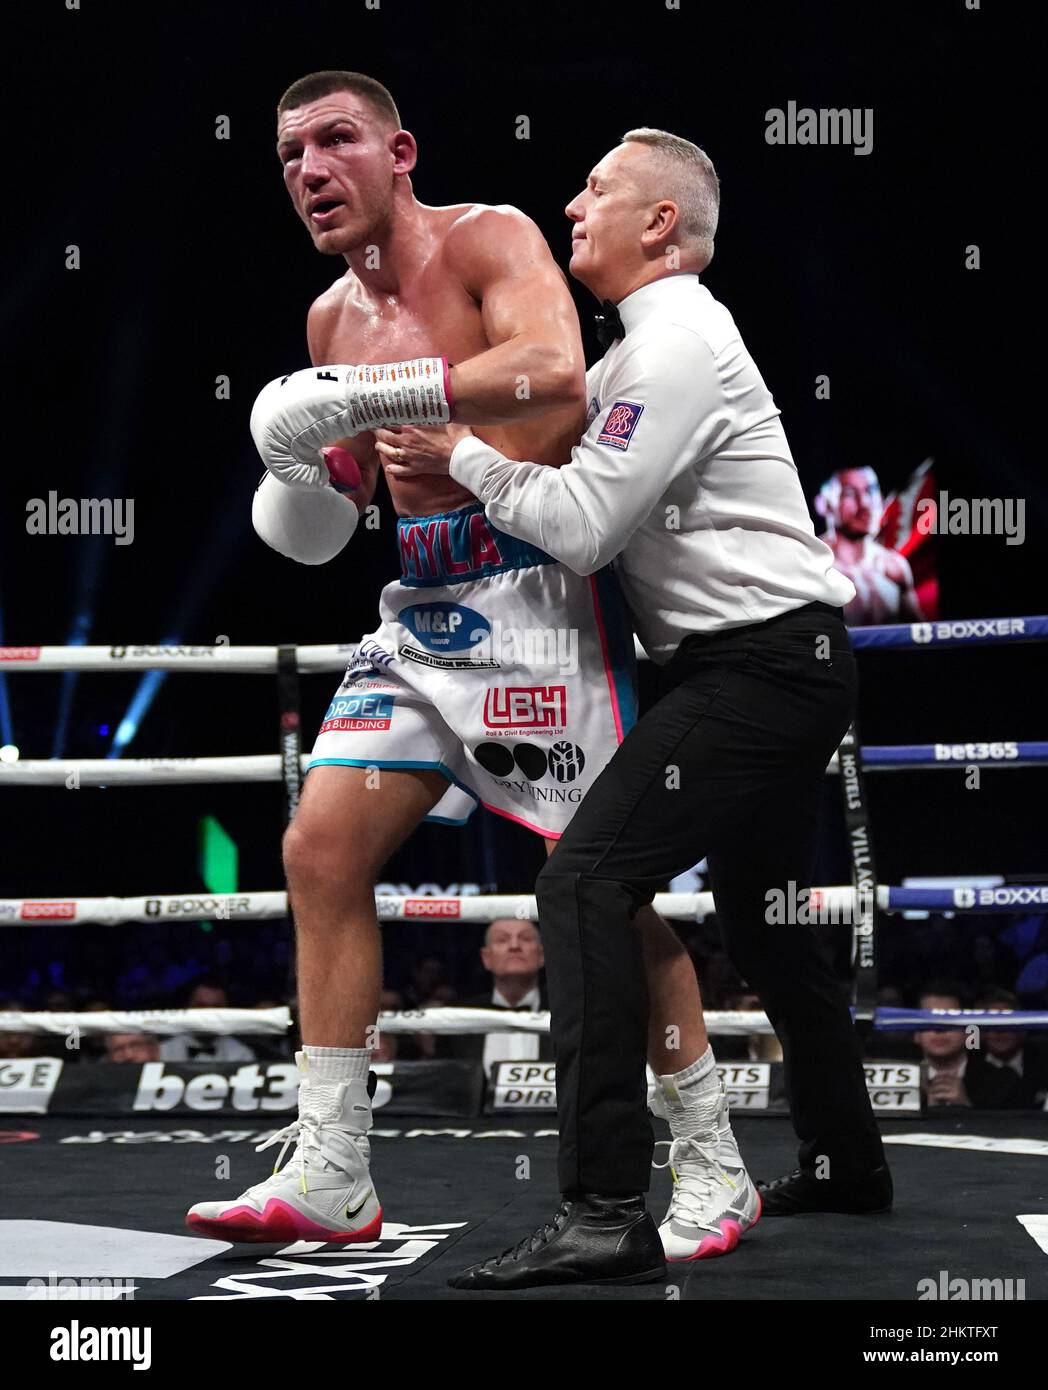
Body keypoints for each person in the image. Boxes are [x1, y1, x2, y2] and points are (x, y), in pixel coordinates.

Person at [188, 74, 754, 1262]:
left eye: (334, 139)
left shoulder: (488, 234)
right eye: (288, 152)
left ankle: (711, 1155)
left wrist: (363, 395)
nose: (308, 168)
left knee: (600, 896)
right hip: (421, 606)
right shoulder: (324, 322)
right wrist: (301, 461)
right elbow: (339, 508)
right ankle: (333, 1163)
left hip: (539, 598)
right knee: (317, 846)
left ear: (398, 151)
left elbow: (553, 374)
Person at [383, 128, 892, 1288]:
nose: (572, 204)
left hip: (759, 670)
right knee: (764, 915)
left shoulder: (674, 343)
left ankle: (605, 1205)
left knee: (583, 883)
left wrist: (458, 450)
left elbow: (578, 525)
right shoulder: (632, 358)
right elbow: (559, 472)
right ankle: (848, 1160)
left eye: (598, 189)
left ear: (660, 223)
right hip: (761, 667)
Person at [441, 918, 554, 1072]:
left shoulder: (567, 1015)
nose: (514, 946)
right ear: (486, 958)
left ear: (541, 955)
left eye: (525, 939)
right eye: (502, 940)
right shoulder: (457, 1017)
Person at [816, 467, 923, 625]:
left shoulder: (894, 567)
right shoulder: (813, 562)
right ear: (824, 504)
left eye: (871, 491)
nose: (864, 503)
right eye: (850, 493)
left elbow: (919, 637)